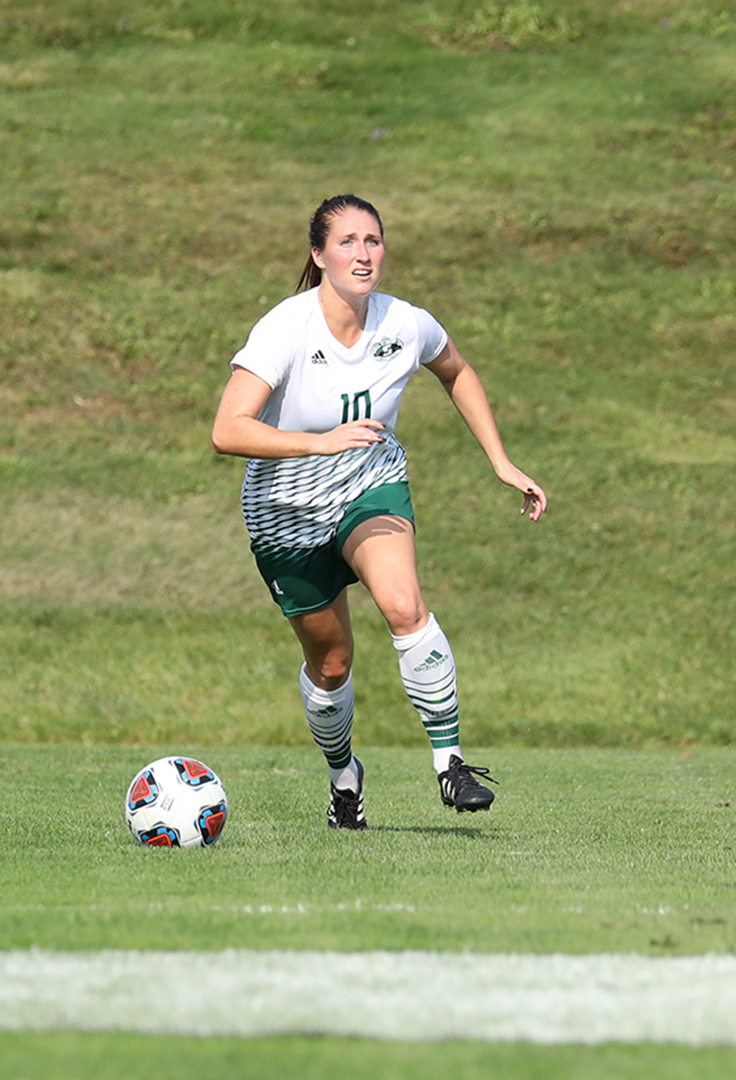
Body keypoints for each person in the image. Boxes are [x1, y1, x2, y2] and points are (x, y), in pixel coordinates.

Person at [211, 194, 548, 829]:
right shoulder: (285, 328)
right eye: (347, 242)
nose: (363, 254)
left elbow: (457, 371)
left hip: (370, 482)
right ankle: (344, 778)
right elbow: (227, 430)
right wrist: (318, 442)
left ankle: (450, 763)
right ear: (319, 255)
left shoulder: (406, 323)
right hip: (284, 510)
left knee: (402, 604)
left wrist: (501, 461)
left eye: (373, 240)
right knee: (331, 663)